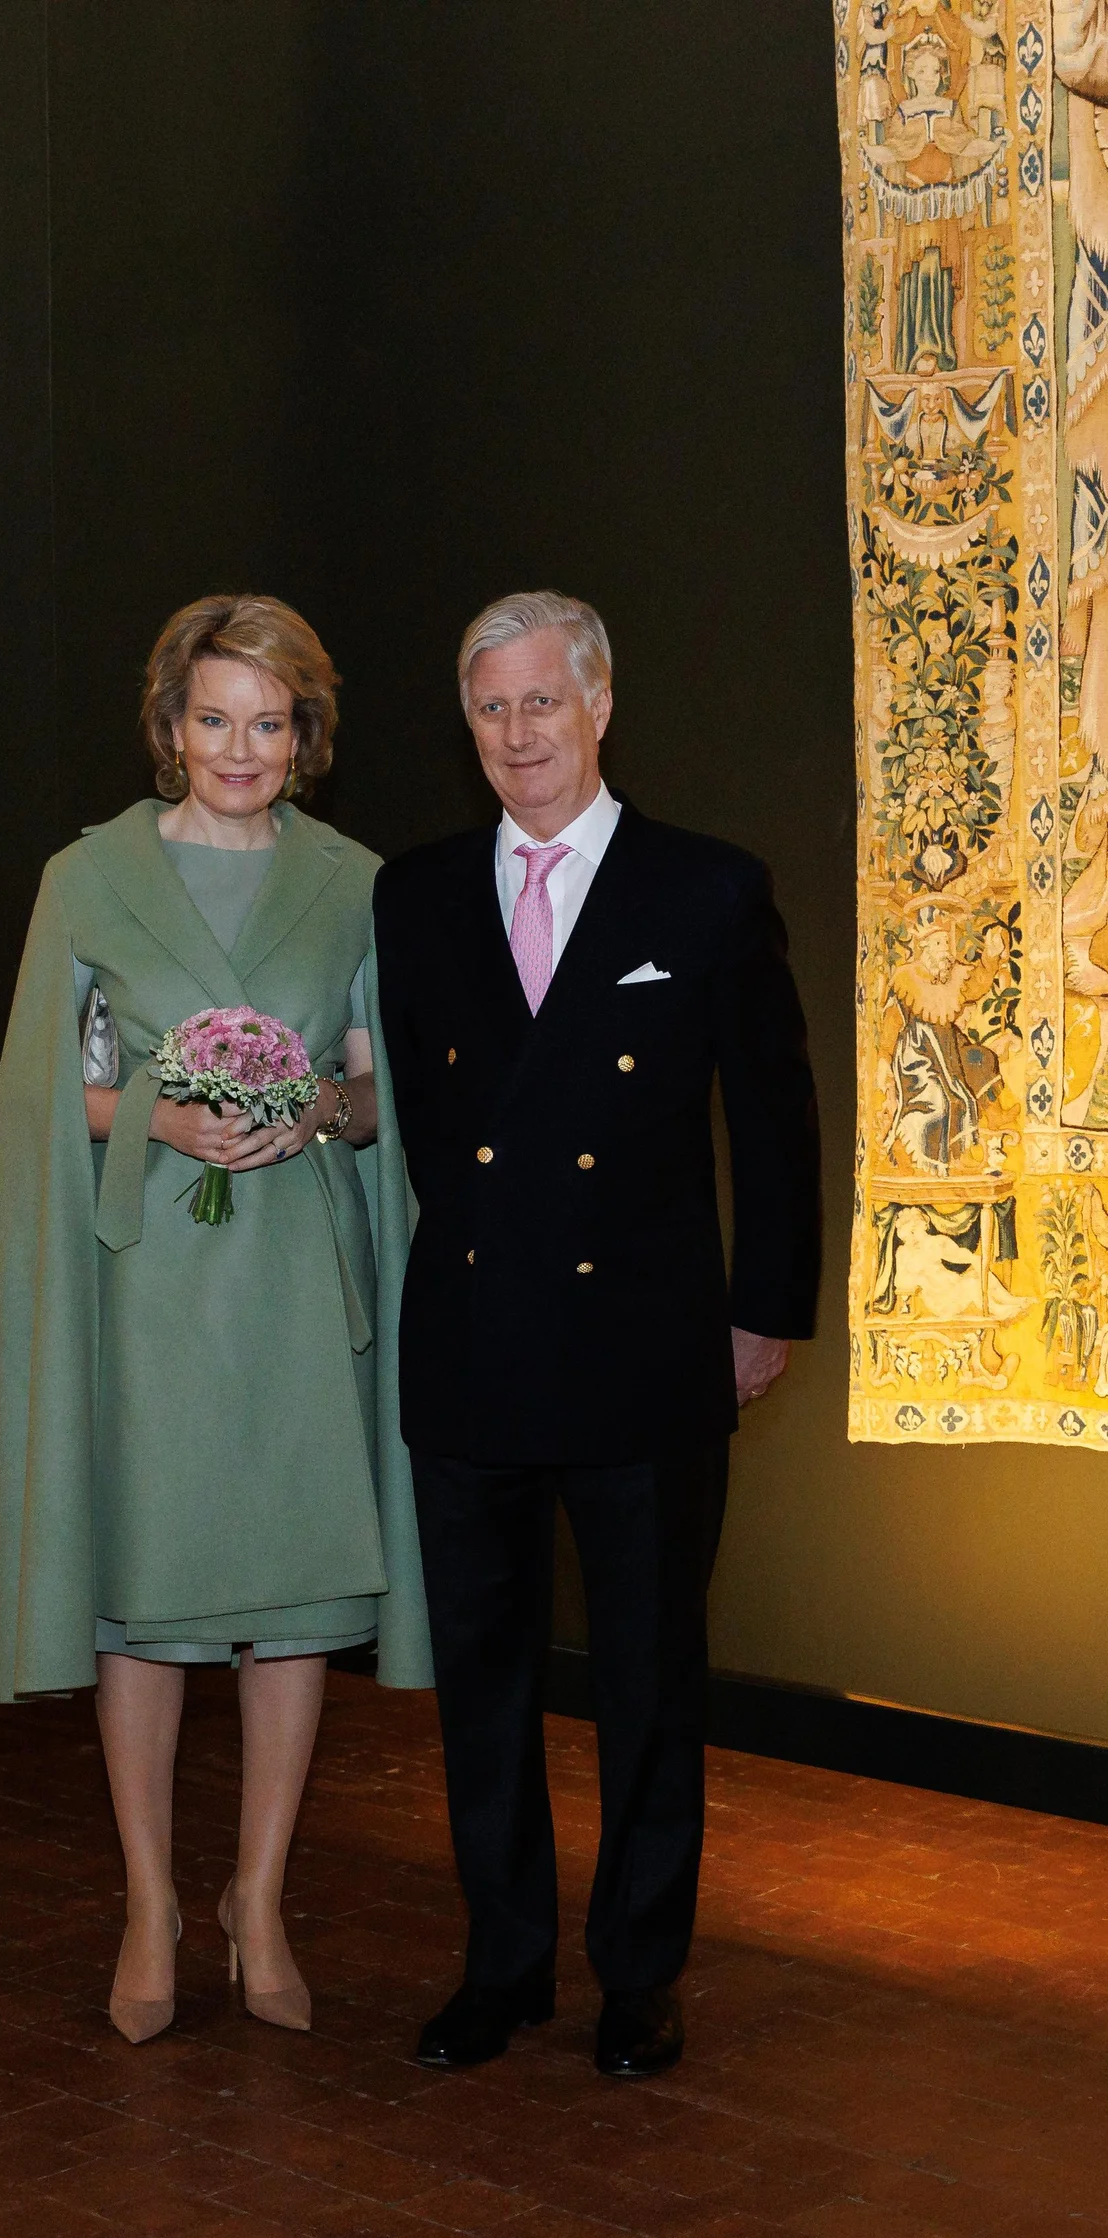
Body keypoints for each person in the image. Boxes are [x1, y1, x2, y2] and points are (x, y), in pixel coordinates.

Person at [372, 591, 820, 2079]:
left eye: (542, 703)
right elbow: (438, 1129)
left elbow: (772, 1118)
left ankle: (640, 1968)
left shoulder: (704, 888)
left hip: (644, 1350)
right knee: (484, 1684)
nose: (517, 735)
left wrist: (764, 1309)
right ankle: (503, 1964)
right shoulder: (420, 891)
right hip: (477, 1346)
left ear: (602, 705)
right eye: (490, 709)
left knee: (647, 1678)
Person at [0, 594, 429, 2048]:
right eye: (217, 718)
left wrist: (321, 1103)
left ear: (307, 736)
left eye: (273, 721)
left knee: (294, 1602)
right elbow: (53, 1096)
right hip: (153, 1281)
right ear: (170, 723)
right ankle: (145, 1903)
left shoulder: (358, 882)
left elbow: (382, 1096)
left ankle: (259, 1897)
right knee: (150, 1607)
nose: (243, 747)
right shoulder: (88, 879)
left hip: (299, 1278)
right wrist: (164, 1112)